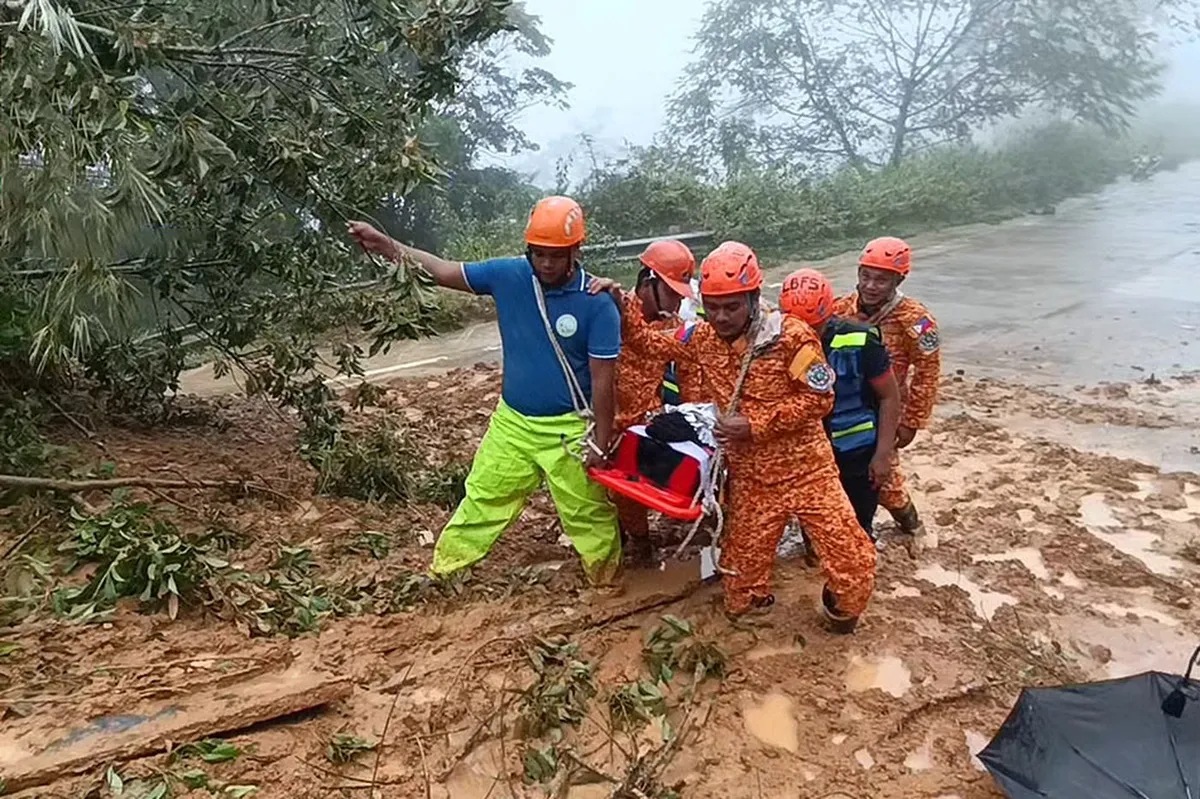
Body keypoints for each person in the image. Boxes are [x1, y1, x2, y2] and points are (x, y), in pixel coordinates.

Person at [345, 196, 623, 586]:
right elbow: (441, 270)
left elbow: (604, 381)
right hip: (513, 424)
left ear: (575, 250)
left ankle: (607, 580)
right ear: (528, 249)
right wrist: (386, 245)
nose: (546, 263)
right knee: (483, 498)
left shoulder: (597, 304)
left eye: (556, 255)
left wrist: (600, 442)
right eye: (539, 254)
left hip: (570, 430)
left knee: (586, 512)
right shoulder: (508, 276)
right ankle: (445, 573)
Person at [619, 241, 877, 632]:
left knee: (854, 566)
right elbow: (649, 344)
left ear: (753, 299)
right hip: (753, 480)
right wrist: (620, 303)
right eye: (713, 306)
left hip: (809, 473)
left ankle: (837, 612)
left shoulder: (791, 338)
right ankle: (756, 607)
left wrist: (754, 424)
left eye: (732, 307)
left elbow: (820, 399)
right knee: (738, 586)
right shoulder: (702, 338)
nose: (721, 317)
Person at [833, 237, 940, 550]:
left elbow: (927, 372)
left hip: (885, 411)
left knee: (883, 479)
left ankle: (910, 523)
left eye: (881, 280)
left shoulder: (916, 321)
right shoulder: (840, 309)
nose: (870, 286)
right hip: (845, 408)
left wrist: (912, 422)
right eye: (865, 276)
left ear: (898, 280)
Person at [779, 268, 901, 542]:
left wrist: (883, 454)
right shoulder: (778, 343)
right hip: (808, 459)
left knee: (858, 530)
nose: (805, 336)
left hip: (857, 452)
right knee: (816, 533)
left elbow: (889, 397)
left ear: (828, 315)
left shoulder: (861, 340)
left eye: (814, 328)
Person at [613, 239, 698, 565]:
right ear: (649, 282)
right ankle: (626, 540)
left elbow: (689, 375)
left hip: (643, 423)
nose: (678, 302)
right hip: (604, 421)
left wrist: (694, 421)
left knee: (641, 487)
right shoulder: (614, 312)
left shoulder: (673, 327)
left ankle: (642, 542)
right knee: (602, 501)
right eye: (673, 293)